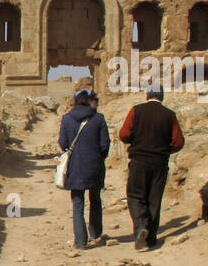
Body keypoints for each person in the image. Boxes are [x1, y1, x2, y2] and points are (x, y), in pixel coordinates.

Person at [118, 84, 184, 249]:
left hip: (139, 160)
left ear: (147, 94)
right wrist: (166, 150)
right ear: (162, 96)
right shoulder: (169, 115)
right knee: (154, 199)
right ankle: (151, 238)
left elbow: (124, 134)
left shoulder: (136, 111)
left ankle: (141, 226)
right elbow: (178, 142)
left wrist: (135, 140)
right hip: (160, 162)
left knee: (135, 195)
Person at [57, 89, 110, 250]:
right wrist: (98, 157)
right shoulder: (99, 119)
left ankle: (80, 242)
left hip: (76, 166)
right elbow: (105, 144)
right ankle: (95, 233)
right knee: (95, 199)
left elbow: (63, 142)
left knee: (78, 203)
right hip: (95, 166)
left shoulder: (67, 119)